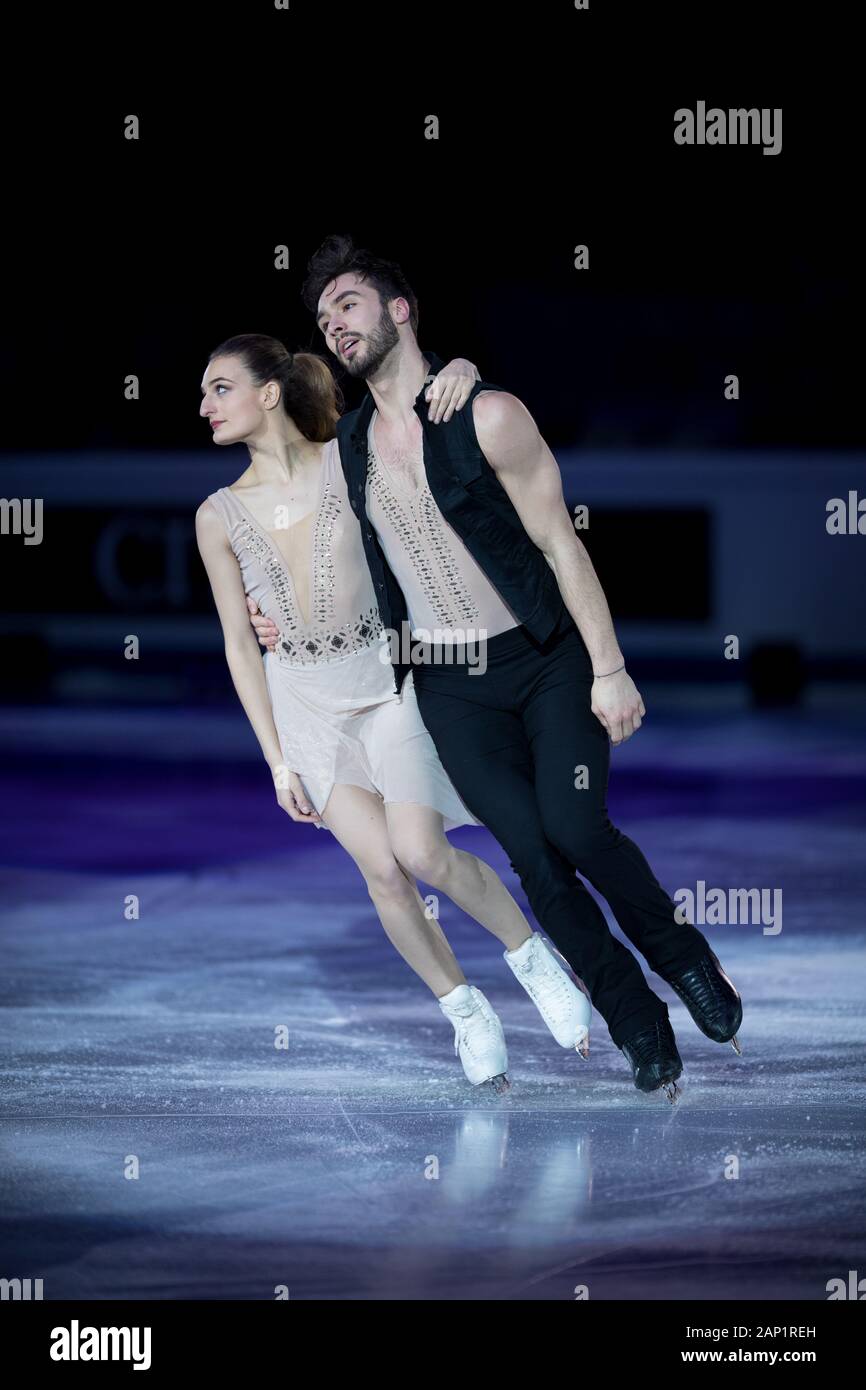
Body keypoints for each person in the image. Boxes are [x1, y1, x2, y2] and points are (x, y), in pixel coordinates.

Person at [248, 238, 744, 1102]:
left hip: (546, 662)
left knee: (577, 828)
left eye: (350, 305)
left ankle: (683, 955)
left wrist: (610, 666)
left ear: (400, 311)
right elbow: (296, 521)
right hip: (450, 688)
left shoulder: (489, 415)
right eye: (324, 319)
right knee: (535, 862)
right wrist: (274, 612)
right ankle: (636, 1024)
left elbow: (560, 542)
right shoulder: (350, 447)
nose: (335, 325)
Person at [195, 334, 591, 1094]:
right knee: (381, 872)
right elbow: (240, 648)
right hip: (306, 708)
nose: (204, 405)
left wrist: (466, 372)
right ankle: (465, 1010)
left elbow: (420, 419)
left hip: (386, 683)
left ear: (268, 393)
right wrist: (278, 759)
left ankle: (532, 957)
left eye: (219, 388)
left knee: (421, 852)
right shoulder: (217, 517)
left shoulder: (350, 460)